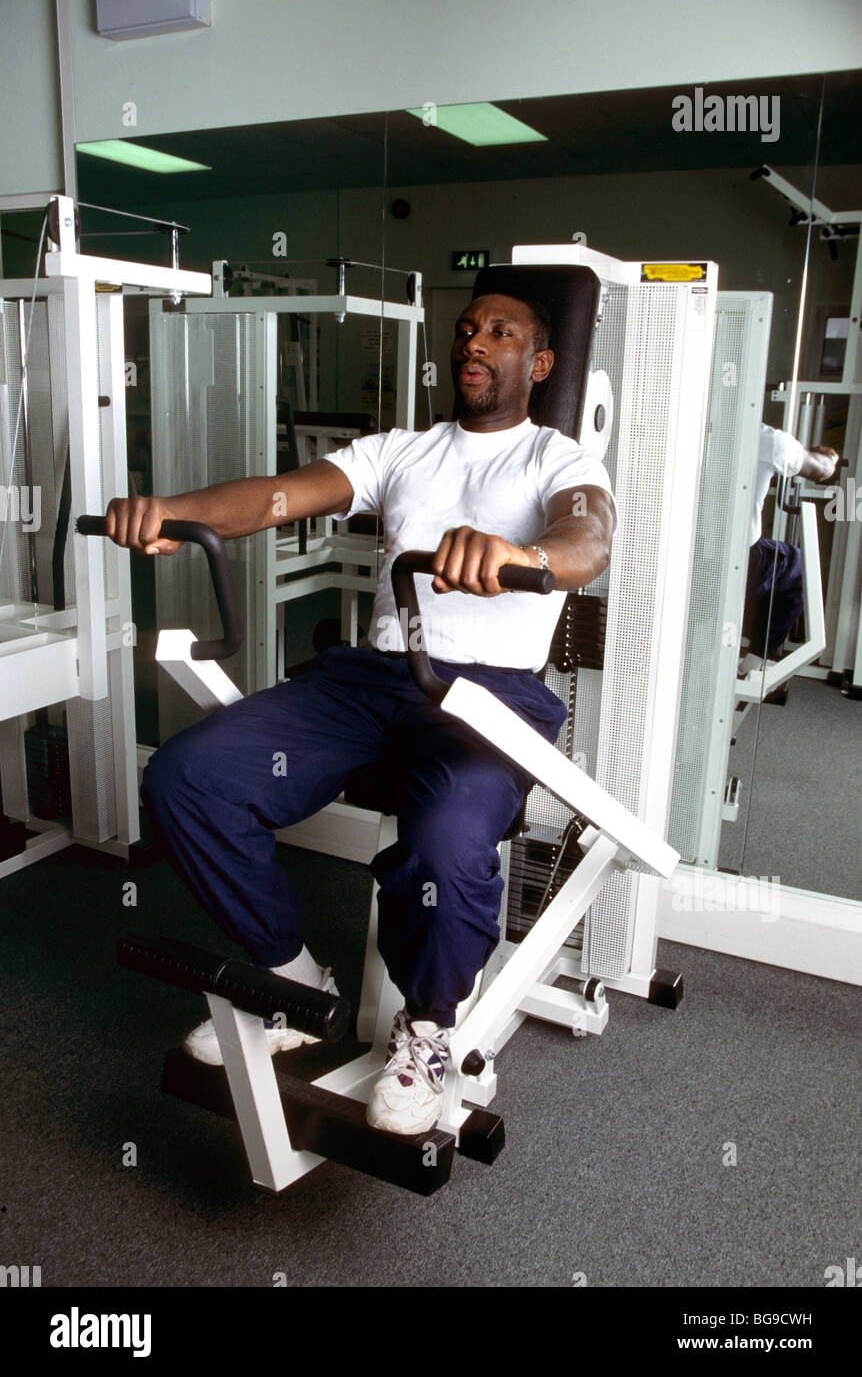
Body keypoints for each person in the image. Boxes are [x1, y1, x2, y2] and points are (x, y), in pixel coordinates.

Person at [106, 291, 617, 1135]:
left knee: (448, 844)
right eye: (465, 332)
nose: (474, 344)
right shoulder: (404, 449)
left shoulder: (558, 461)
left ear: (542, 363)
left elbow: (588, 541)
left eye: (500, 332)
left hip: (489, 695)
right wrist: (175, 512)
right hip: (375, 678)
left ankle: (428, 1029)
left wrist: (521, 557)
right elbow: (278, 496)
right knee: (186, 779)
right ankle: (294, 980)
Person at [739, 423, 840, 677]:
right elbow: (821, 471)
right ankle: (752, 663)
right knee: (799, 569)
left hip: (680, 554)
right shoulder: (767, 439)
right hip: (738, 562)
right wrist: (829, 457)